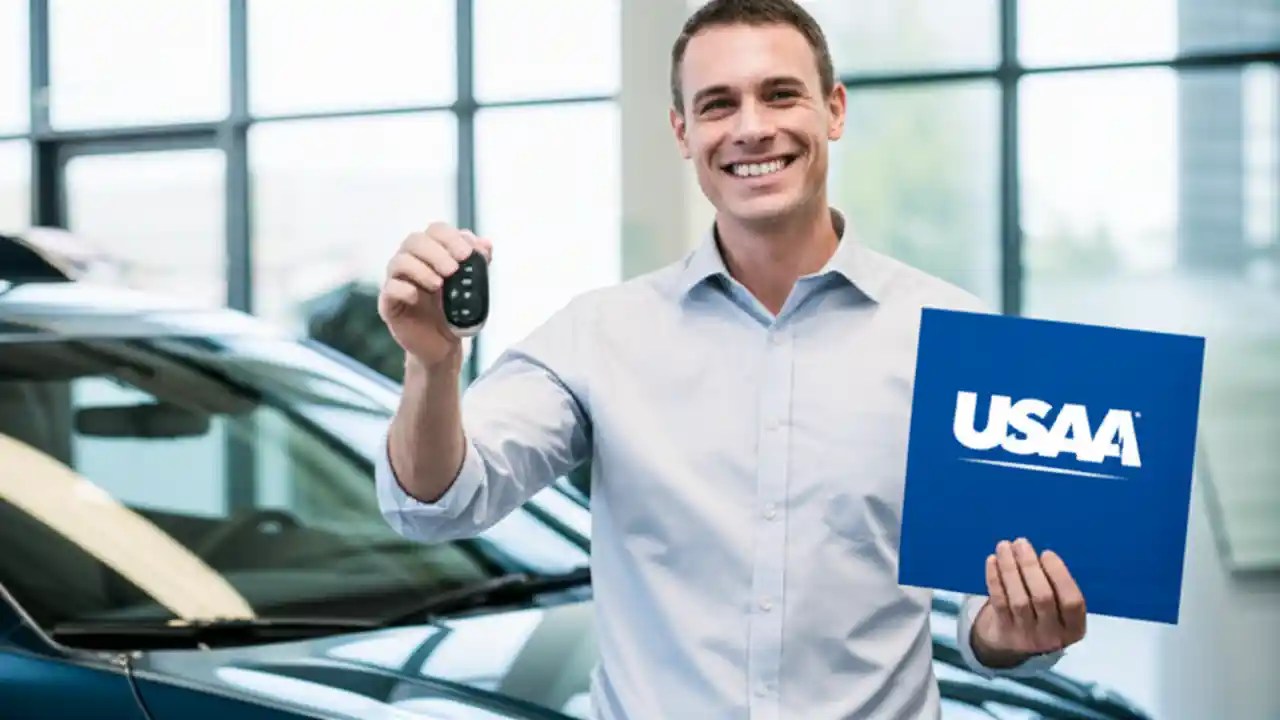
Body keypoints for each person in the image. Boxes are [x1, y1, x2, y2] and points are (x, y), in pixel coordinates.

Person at [374, 0, 1088, 717]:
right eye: (718, 105)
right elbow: (437, 505)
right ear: (683, 133)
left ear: (834, 111)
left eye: (780, 94)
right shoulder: (598, 335)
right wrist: (433, 368)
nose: (752, 128)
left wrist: (1012, 630)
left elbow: (985, 613)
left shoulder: (955, 333)